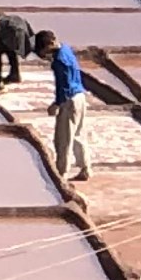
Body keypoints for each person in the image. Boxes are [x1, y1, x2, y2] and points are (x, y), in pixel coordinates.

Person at [43, 28, 92, 183]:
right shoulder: (65, 48)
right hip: (80, 97)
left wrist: (56, 104)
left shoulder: (59, 61)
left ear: (50, 44)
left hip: (69, 100)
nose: (44, 53)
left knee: (63, 139)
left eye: (44, 49)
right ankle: (86, 169)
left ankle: (61, 174)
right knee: (78, 135)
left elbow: (63, 86)